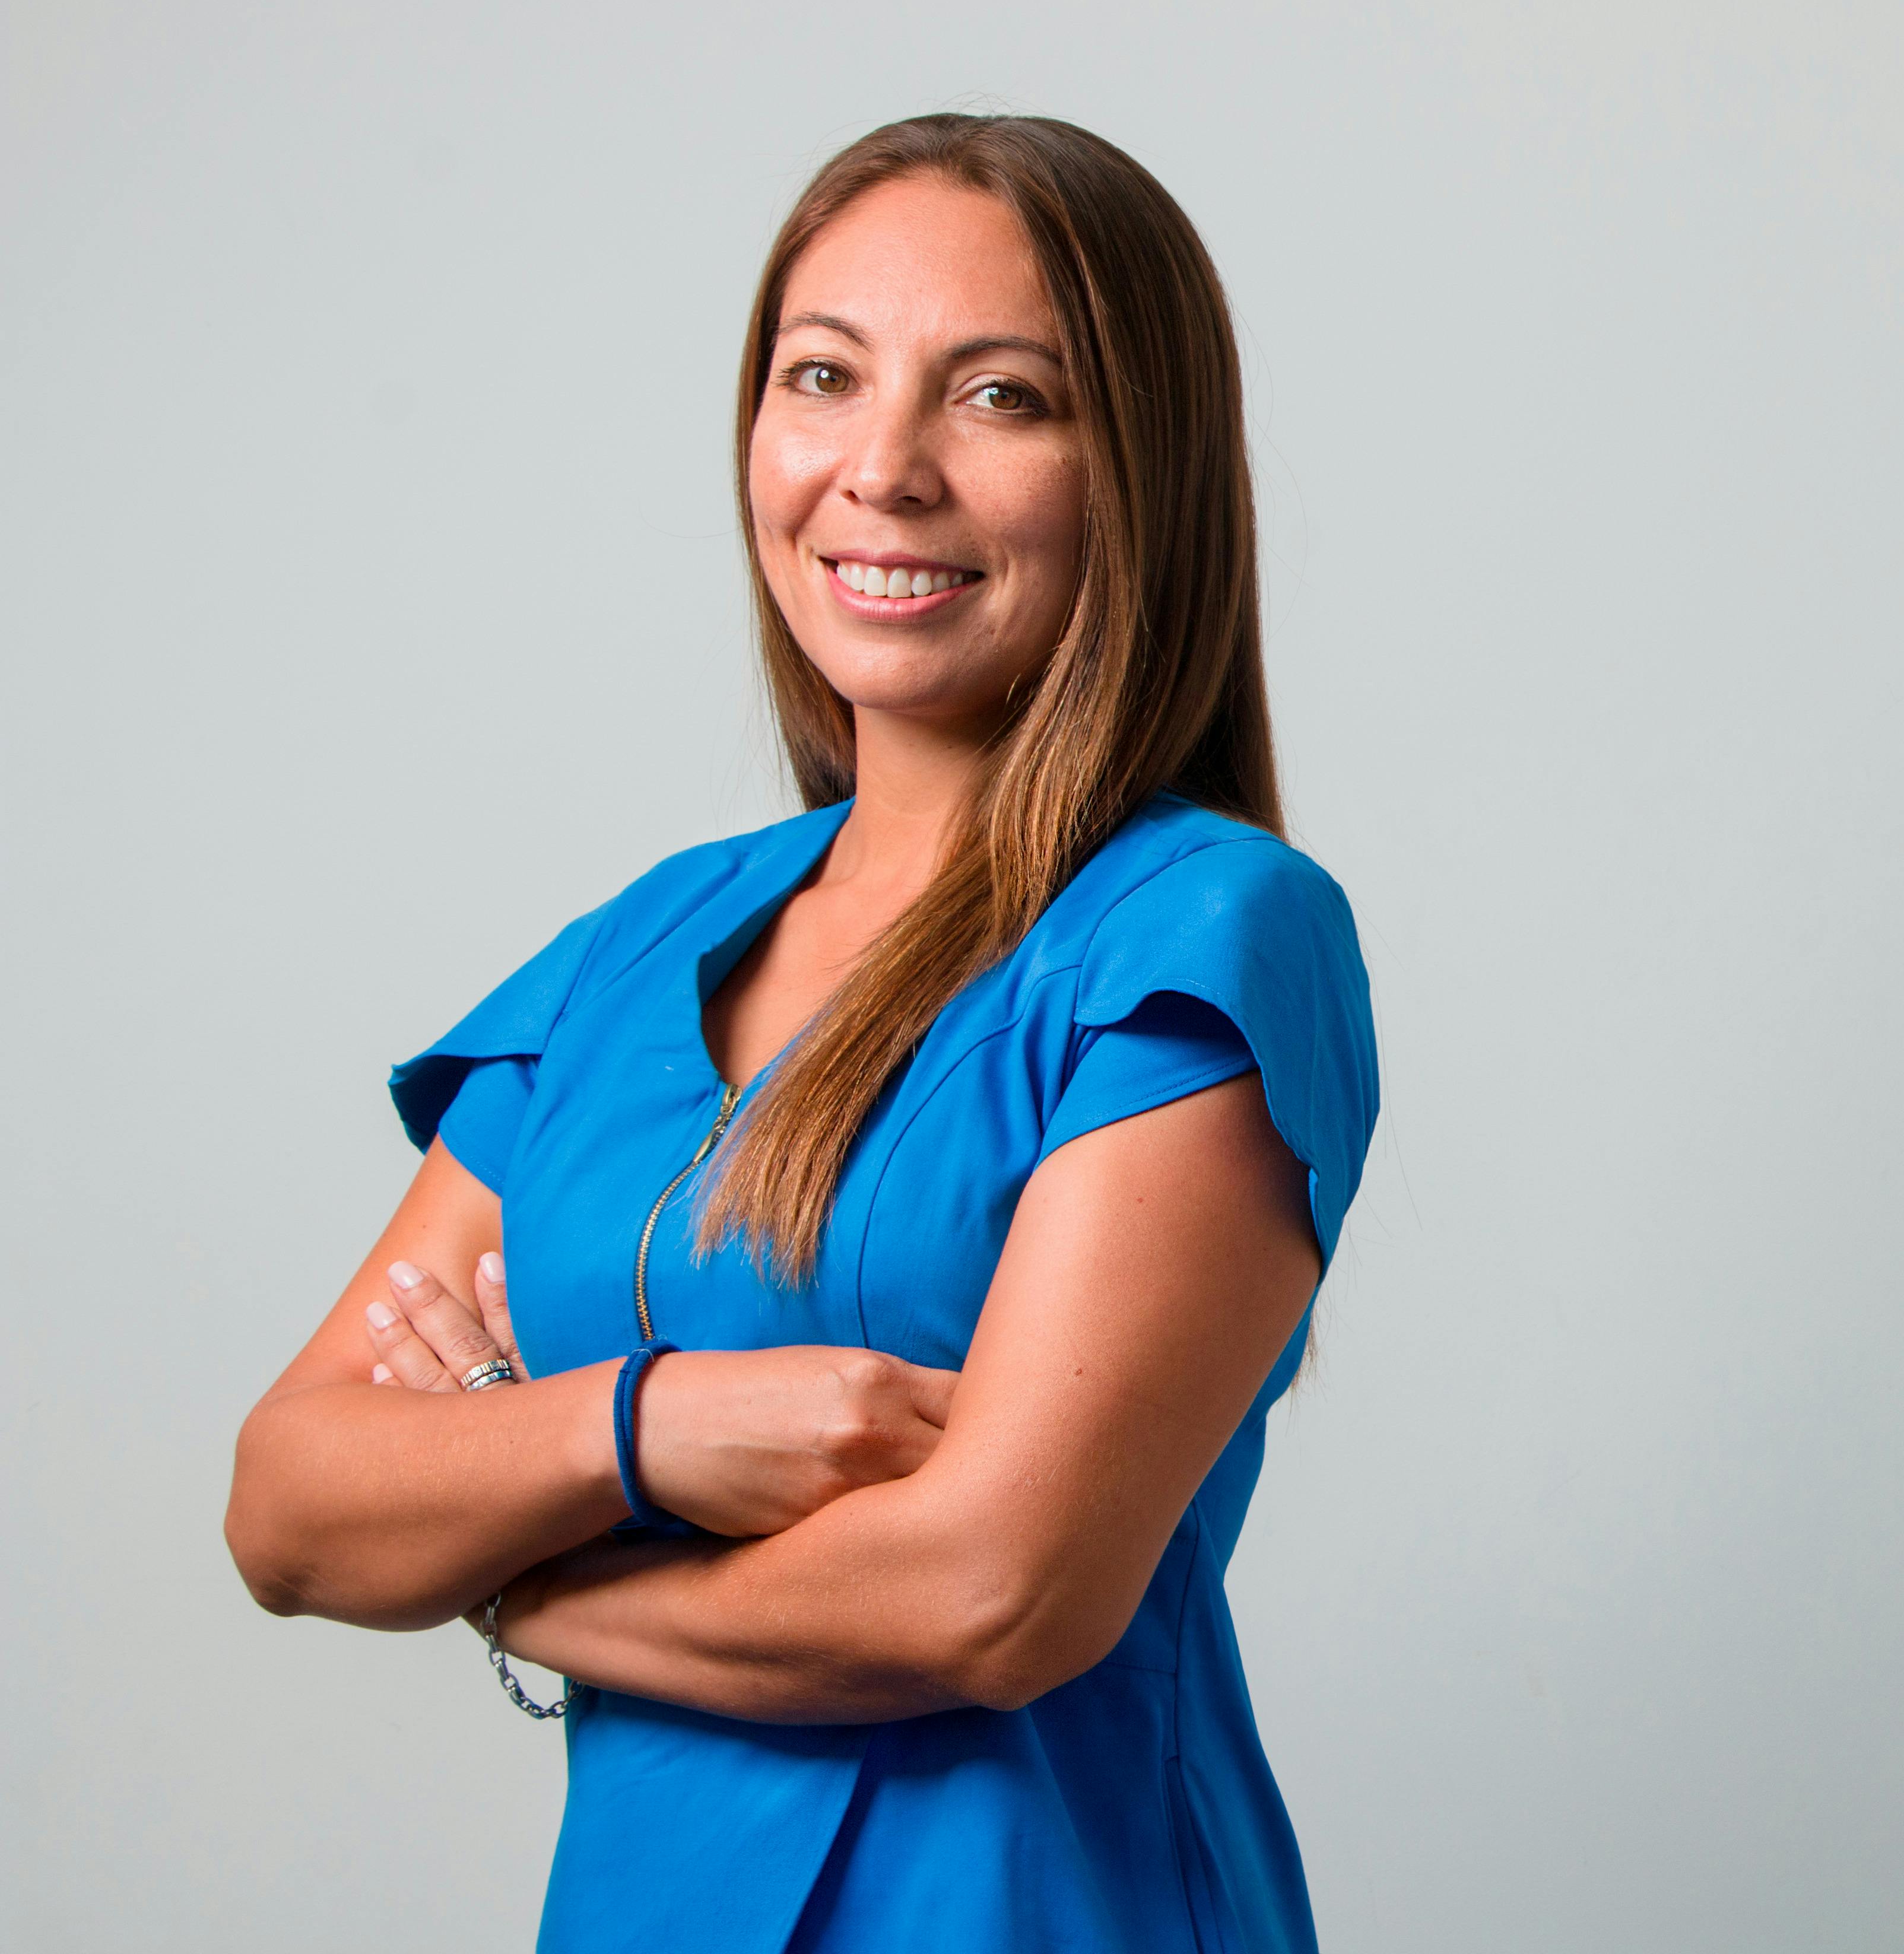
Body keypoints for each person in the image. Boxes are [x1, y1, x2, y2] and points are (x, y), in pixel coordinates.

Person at [226, 113, 1379, 1953]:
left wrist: (528, 1587)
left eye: (1001, 398)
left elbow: (996, 1592)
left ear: (1136, 469)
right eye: (823, 377)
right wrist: (657, 1429)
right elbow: (291, 1501)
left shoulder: (1204, 933)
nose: (884, 470)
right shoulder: (637, 950)